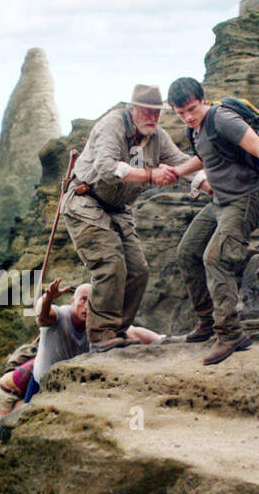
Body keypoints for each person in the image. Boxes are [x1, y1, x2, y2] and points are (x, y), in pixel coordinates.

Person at [164, 77, 259, 366]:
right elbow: (205, 158)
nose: (188, 117)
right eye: (181, 113)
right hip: (219, 202)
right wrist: (177, 171)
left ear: (203, 99)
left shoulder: (221, 118)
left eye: (192, 109)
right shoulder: (197, 129)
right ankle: (207, 321)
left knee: (216, 259)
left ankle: (231, 334)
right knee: (188, 252)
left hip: (246, 200)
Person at [62, 84, 193, 353]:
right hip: (86, 202)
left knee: (138, 271)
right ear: (132, 109)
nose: (152, 117)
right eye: (147, 111)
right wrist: (150, 174)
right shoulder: (111, 126)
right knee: (110, 263)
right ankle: (100, 336)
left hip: (118, 208)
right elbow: (107, 168)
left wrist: (209, 182)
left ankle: (116, 331)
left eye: (157, 112)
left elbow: (181, 163)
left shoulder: (158, 138)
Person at [25, 279, 161, 402]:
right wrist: (48, 298)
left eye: (92, 303)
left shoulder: (98, 325)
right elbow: (43, 318)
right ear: (73, 301)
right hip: (40, 383)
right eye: (83, 300)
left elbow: (132, 331)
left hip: (70, 387)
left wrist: (162, 340)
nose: (87, 307)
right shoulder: (60, 315)